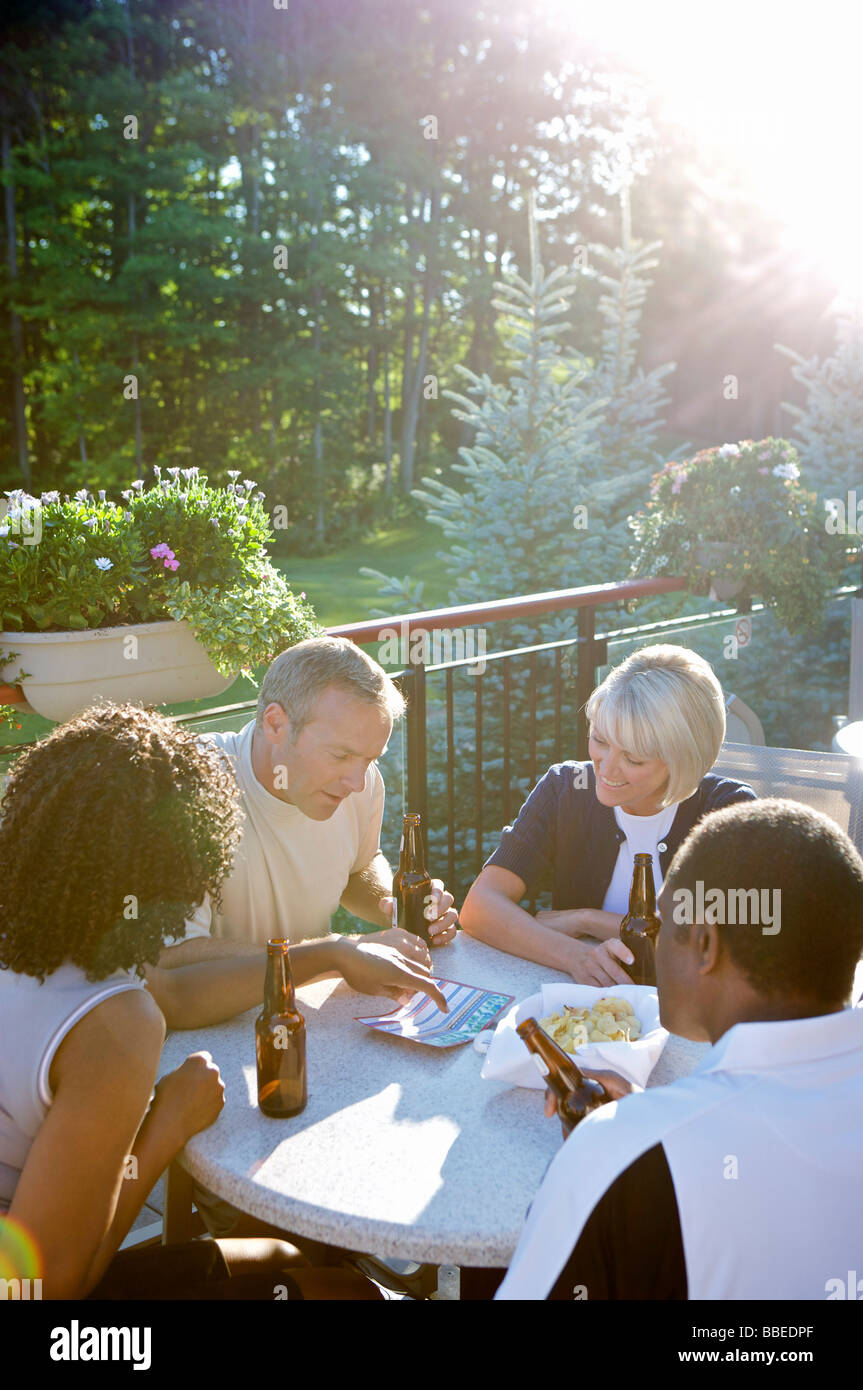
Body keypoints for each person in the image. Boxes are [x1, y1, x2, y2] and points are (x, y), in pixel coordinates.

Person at [0, 704, 449, 1300]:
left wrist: (335, 951)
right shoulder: (114, 1025)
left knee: (283, 1255)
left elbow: (167, 989)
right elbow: (41, 1288)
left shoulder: (43, 934)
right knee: (351, 1296)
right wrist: (167, 1124)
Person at [495, 798, 863, 1299]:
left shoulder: (618, 1152)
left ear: (706, 946)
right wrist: (656, 1124)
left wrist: (629, 1140)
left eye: (663, 923)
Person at [160, 635, 458, 975]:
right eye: (340, 755)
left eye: (369, 758)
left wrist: (398, 907)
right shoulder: (187, 785)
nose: (357, 783)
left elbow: (358, 867)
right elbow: (173, 959)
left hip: (302, 1005)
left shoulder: (361, 779)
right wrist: (335, 955)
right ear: (275, 724)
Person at [460, 645, 756, 986]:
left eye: (634, 758)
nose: (608, 768)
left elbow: (715, 944)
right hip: (585, 1013)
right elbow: (480, 907)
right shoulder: (566, 788)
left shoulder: (727, 809)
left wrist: (586, 919)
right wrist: (575, 956)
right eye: (600, 740)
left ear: (683, 759)